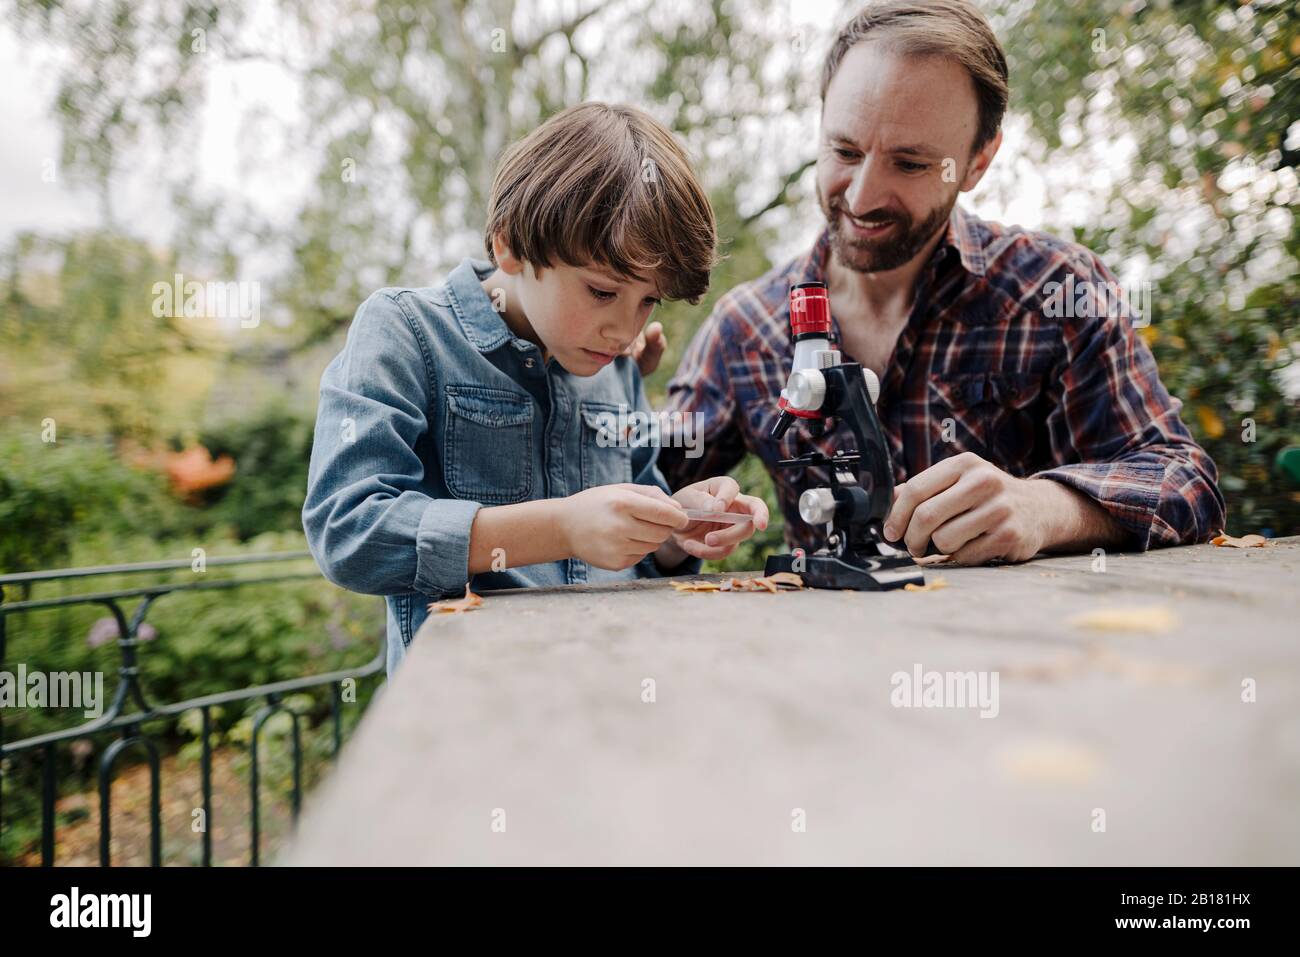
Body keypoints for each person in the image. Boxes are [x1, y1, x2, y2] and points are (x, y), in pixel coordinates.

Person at [657, 0, 1224, 564]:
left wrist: (1044, 508)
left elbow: (1185, 484)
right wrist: (596, 380)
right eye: (845, 150)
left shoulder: (1058, 293)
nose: (861, 197)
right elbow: (641, 496)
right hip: (821, 648)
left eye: (909, 164)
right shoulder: (745, 328)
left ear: (978, 161)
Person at [303, 102, 769, 677]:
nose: (625, 329)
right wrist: (561, 528)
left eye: (647, 300)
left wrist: (678, 531)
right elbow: (348, 531)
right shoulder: (403, 332)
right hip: (468, 713)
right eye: (602, 292)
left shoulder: (614, 363)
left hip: (612, 690)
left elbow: (640, 553)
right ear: (510, 247)